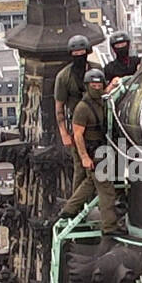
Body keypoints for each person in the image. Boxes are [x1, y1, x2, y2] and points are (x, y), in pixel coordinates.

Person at [59, 69, 119, 236]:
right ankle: (110, 226)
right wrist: (85, 157)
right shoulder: (82, 108)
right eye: (93, 85)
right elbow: (77, 135)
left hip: (100, 148)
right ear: (87, 86)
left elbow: (105, 93)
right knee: (106, 190)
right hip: (90, 150)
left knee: (91, 182)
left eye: (99, 85)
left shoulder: (100, 101)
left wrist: (113, 85)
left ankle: (69, 208)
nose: (97, 88)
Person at [54, 34, 92, 203]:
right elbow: (59, 107)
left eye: (81, 53)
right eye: (75, 54)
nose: (79, 57)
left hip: (97, 124)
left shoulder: (96, 69)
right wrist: (63, 133)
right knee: (80, 167)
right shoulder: (64, 77)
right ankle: (77, 203)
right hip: (76, 126)